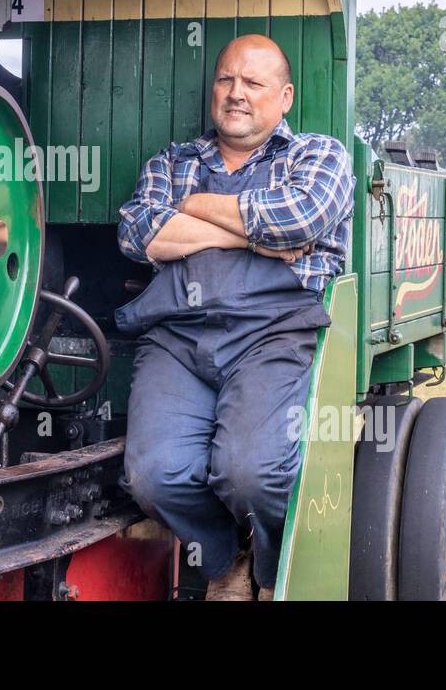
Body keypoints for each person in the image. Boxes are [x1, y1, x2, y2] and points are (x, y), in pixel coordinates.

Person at [114, 34, 354, 600]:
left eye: (253, 83)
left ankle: (271, 573)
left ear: (285, 95)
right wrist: (255, 238)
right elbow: (136, 233)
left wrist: (193, 208)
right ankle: (224, 561)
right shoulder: (175, 160)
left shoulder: (317, 156)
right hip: (176, 337)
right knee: (153, 477)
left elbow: (300, 218)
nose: (236, 94)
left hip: (271, 336)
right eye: (226, 80)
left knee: (253, 475)